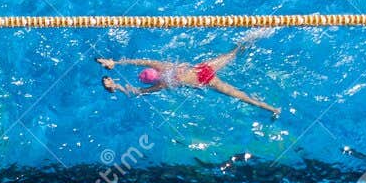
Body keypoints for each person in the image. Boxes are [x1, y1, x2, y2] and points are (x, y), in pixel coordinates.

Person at [97, 40, 280, 117]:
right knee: (232, 53)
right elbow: (138, 61)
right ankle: (253, 38)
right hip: (204, 68)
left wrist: (119, 87)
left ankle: (272, 109)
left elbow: (139, 92)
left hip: (206, 81)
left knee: (241, 97)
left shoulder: (162, 84)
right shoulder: (163, 66)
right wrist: (116, 63)